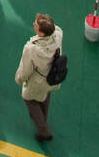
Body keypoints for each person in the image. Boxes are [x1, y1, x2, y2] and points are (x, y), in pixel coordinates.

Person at [14, 11, 63, 140]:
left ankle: (44, 131)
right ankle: (44, 116)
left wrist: (19, 79)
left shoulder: (32, 49)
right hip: (52, 77)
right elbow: (56, 27)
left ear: (41, 33)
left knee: (29, 99)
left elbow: (25, 70)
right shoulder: (58, 35)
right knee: (45, 94)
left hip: (38, 81)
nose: (34, 25)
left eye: (36, 25)